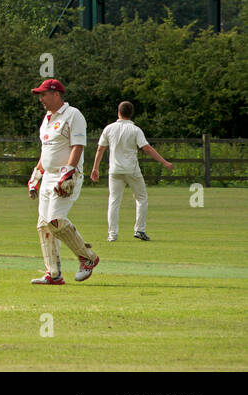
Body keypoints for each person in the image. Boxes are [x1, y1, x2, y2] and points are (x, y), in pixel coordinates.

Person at [27, 79, 100, 284]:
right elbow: (47, 151)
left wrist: (67, 173)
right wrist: (36, 175)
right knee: (43, 225)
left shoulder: (73, 115)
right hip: (49, 176)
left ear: (56, 94)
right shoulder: (47, 118)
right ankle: (54, 274)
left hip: (67, 175)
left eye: (43, 94)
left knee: (55, 220)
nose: (40, 99)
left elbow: (78, 146)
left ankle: (88, 258)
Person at [90, 100, 173, 242]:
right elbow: (146, 148)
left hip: (115, 170)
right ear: (131, 113)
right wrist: (164, 162)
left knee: (114, 201)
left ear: (118, 112)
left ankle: (112, 234)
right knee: (141, 198)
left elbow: (100, 148)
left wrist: (95, 168)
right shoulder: (135, 130)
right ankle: (140, 230)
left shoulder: (109, 128)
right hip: (132, 170)